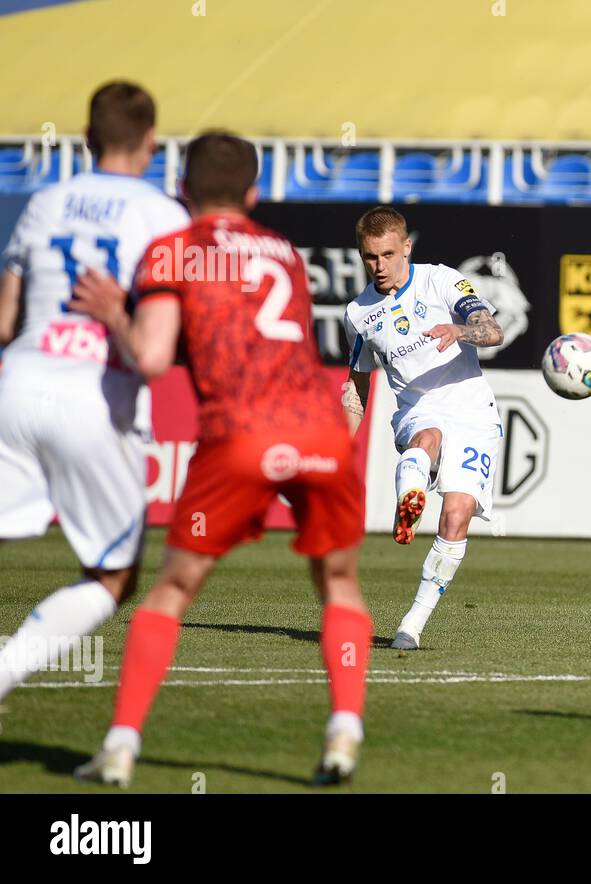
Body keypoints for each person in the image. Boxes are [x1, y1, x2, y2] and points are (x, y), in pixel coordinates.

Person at [68, 132, 370, 787]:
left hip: (240, 435)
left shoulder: (174, 250)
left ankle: (120, 747)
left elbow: (152, 357)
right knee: (339, 585)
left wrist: (113, 312)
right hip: (320, 432)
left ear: (181, 188)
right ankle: (345, 730)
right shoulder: (284, 253)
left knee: (173, 590)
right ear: (255, 193)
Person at [0, 82, 188, 704]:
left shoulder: (45, 200)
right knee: (114, 575)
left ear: (86, 138)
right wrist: (113, 317)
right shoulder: (165, 216)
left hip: (18, 383)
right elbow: (152, 355)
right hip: (94, 397)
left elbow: (4, 323)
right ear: (153, 143)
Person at [341, 207, 503, 651]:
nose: (379, 266)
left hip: (472, 411)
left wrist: (460, 329)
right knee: (425, 440)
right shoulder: (359, 314)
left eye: (388, 254)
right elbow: (356, 386)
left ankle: (411, 624)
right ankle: (408, 500)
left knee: (457, 515)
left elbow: (493, 331)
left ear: (406, 247)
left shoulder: (443, 280)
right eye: (370, 257)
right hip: (418, 407)